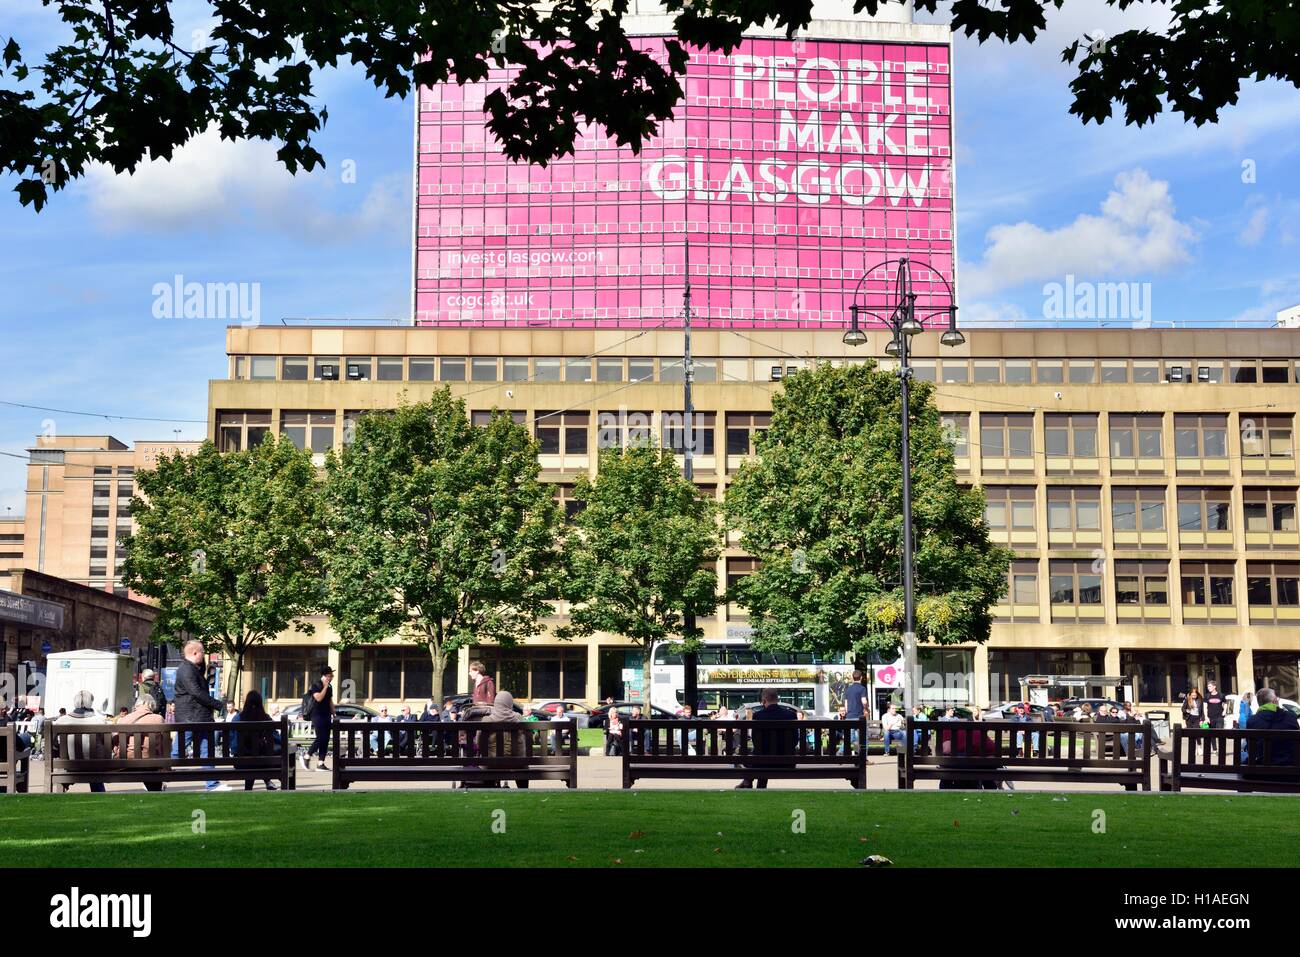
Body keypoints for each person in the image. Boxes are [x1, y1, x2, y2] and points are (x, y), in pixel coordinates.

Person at [173, 639, 229, 792]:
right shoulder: (186, 669)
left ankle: (212, 784)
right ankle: (155, 779)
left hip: (198, 718)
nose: (204, 655)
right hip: (191, 718)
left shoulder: (192, 669)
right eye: (203, 652)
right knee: (177, 753)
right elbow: (196, 692)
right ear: (195, 653)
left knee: (207, 751)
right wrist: (218, 705)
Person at [735, 688, 794, 789]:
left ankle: (748, 781)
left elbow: (756, 741)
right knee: (761, 755)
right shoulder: (791, 715)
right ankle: (752, 783)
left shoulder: (758, 716)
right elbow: (795, 740)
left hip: (762, 762)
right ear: (777, 699)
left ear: (764, 700)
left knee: (759, 754)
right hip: (787, 762)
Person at [54, 691, 112, 792]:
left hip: (70, 765)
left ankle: (63, 787)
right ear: (91, 703)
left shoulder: (61, 721)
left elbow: (53, 742)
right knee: (95, 763)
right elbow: (107, 742)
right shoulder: (99, 721)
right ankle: (99, 793)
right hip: (95, 766)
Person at [230, 690, 281, 791]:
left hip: (241, 763)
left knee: (250, 760)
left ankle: (248, 789)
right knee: (263, 759)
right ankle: (273, 783)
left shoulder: (237, 718)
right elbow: (277, 739)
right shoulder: (265, 718)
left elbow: (234, 746)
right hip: (265, 763)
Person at [114, 695, 167, 791]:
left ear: (137, 705)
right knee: (151, 766)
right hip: (150, 764)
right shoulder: (158, 719)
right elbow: (163, 744)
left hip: (125, 762)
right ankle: (155, 793)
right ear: (151, 705)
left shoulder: (124, 719)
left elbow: (116, 742)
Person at [477, 691, 529, 789]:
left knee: (487, 763)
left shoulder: (487, 720)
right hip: (518, 764)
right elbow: (528, 738)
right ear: (510, 703)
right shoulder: (519, 718)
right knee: (522, 764)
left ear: (496, 703)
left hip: (492, 763)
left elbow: (479, 743)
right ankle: (524, 791)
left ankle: (490, 790)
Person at [1245, 687, 1300, 766]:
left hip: (1261, 770)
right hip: (1290, 770)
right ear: (1274, 701)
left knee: (1242, 753)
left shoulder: (1251, 721)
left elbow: (1251, 750)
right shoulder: (1290, 717)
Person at [301, 665, 335, 771]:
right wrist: (325, 687)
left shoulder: (330, 687)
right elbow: (319, 698)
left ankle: (321, 763)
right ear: (325, 676)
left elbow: (330, 700)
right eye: (330, 675)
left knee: (326, 739)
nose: (332, 677)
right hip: (317, 715)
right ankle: (307, 756)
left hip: (326, 715)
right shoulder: (316, 685)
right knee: (320, 737)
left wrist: (334, 712)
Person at [1203, 681, 1227, 753]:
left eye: (1210, 686)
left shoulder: (1221, 695)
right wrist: (1206, 717)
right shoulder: (1207, 696)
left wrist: (1224, 711)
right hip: (1210, 718)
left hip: (1219, 717)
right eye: (1208, 687)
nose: (1208, 688)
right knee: (1212, 734)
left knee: (1220, 733)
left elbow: (1225, 703)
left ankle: (1222, 750)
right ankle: (1215, 750)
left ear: (1214, 687)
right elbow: (1204, 707)